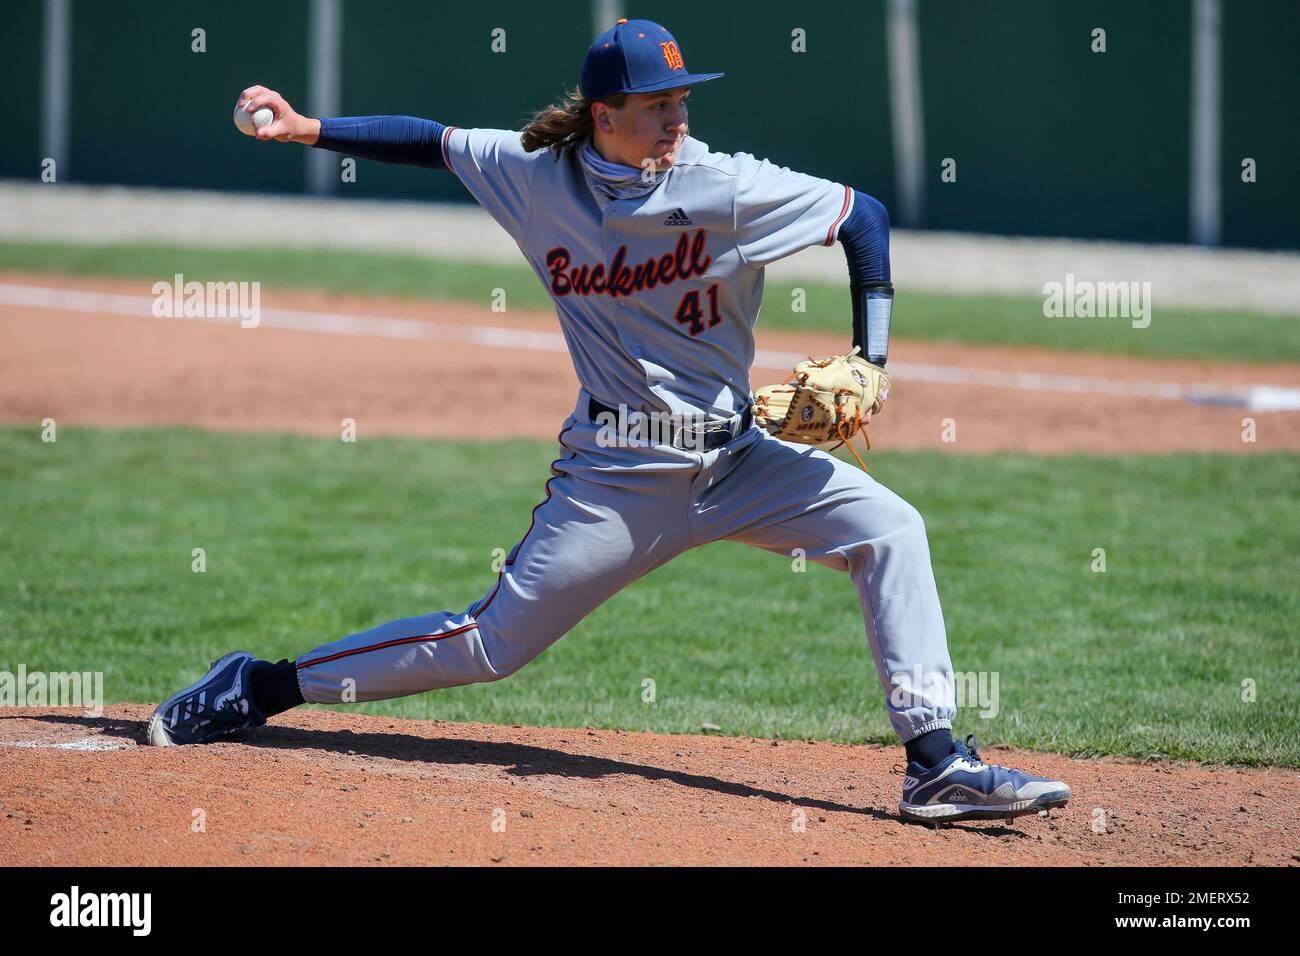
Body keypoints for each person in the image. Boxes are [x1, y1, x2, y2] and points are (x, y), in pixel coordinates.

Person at [148, 18, 1070, 824]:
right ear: (604, 115)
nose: (680, 118)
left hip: (741, 459)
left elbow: (861, 217)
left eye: (682, 99)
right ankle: (256, 685)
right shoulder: (533, 176)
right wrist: (311, 128)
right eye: (659, 103)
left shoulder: (726, 186)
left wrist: (871, 358)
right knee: (487, 647)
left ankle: (934, 764)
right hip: (616, 476)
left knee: (892, 530)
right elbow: (431, 141)